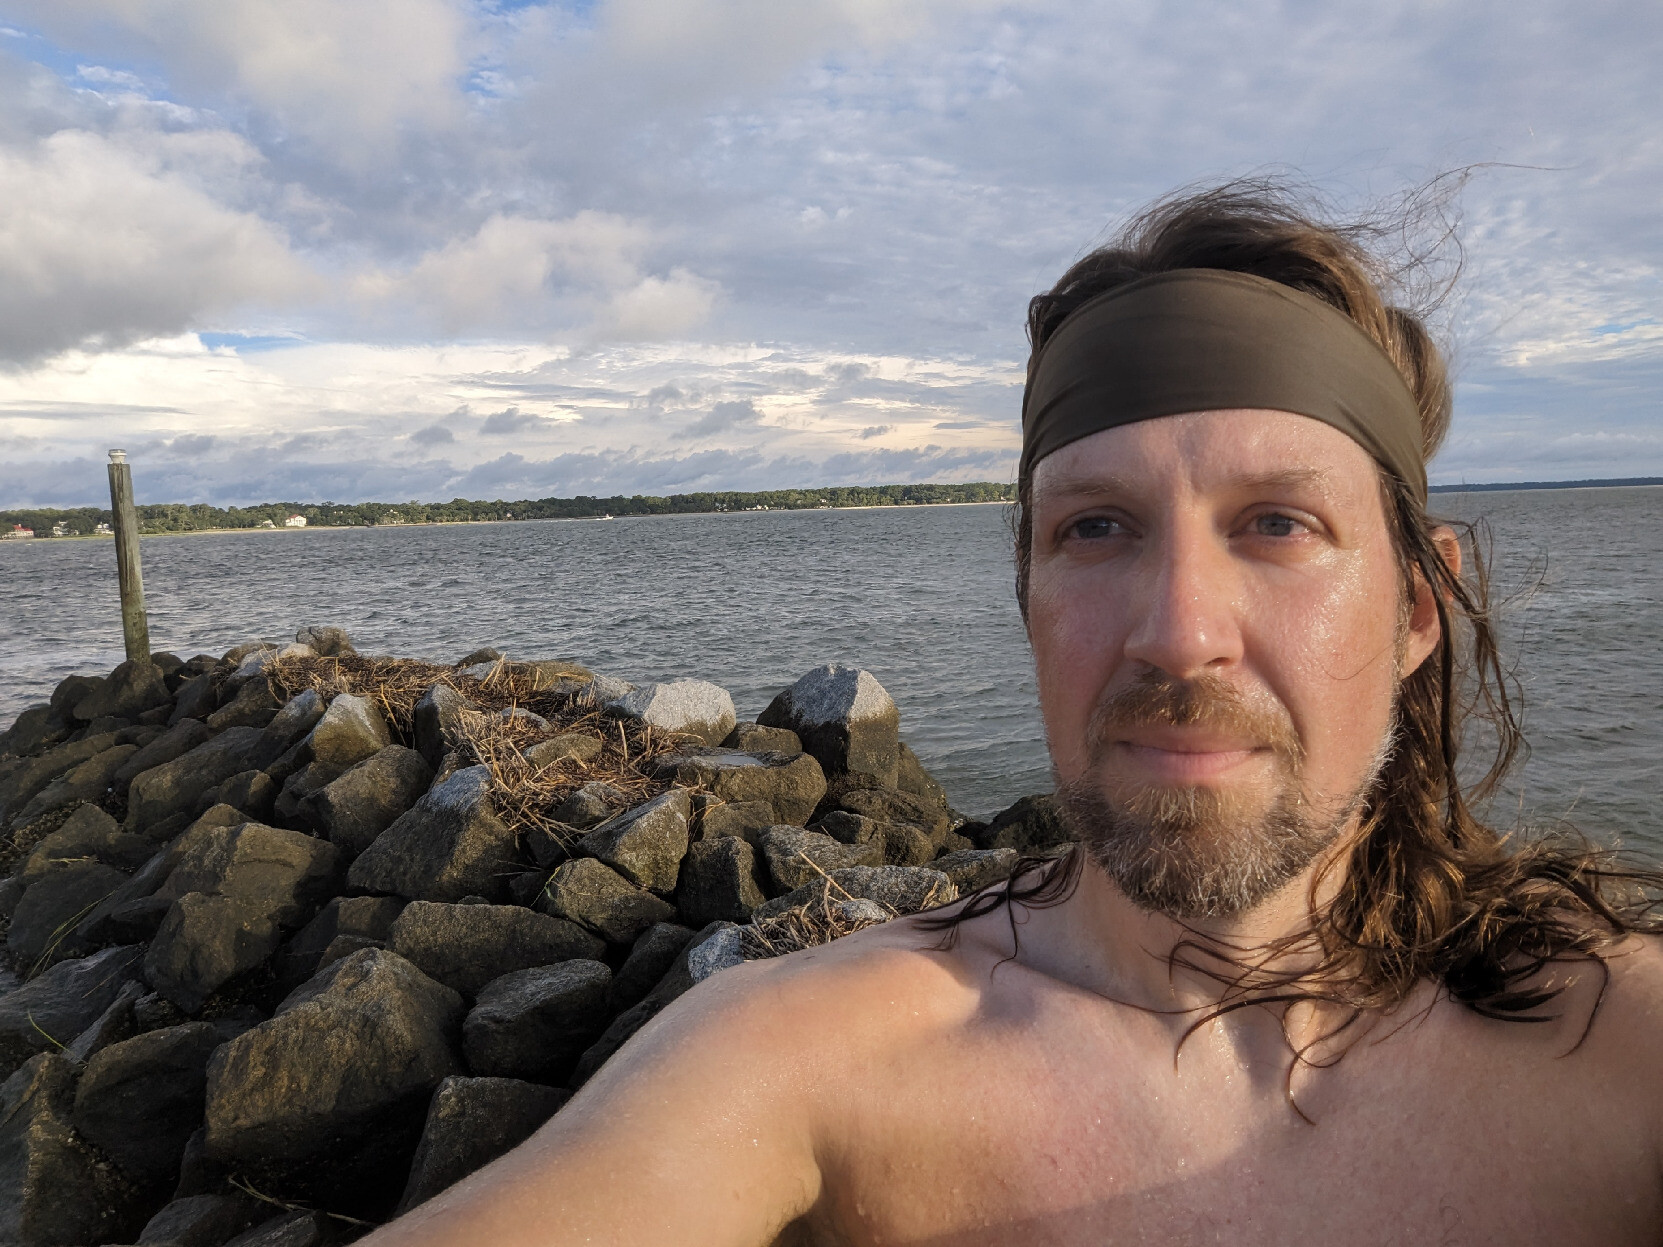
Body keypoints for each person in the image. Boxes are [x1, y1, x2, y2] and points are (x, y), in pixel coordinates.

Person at [366, 184, 1663, 1245]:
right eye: (1098, 528)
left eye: (1278, 524)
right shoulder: (814, 1060)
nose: (1176, 630)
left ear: (1418, 612)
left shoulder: (1620, 1052)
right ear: (1032, 599)